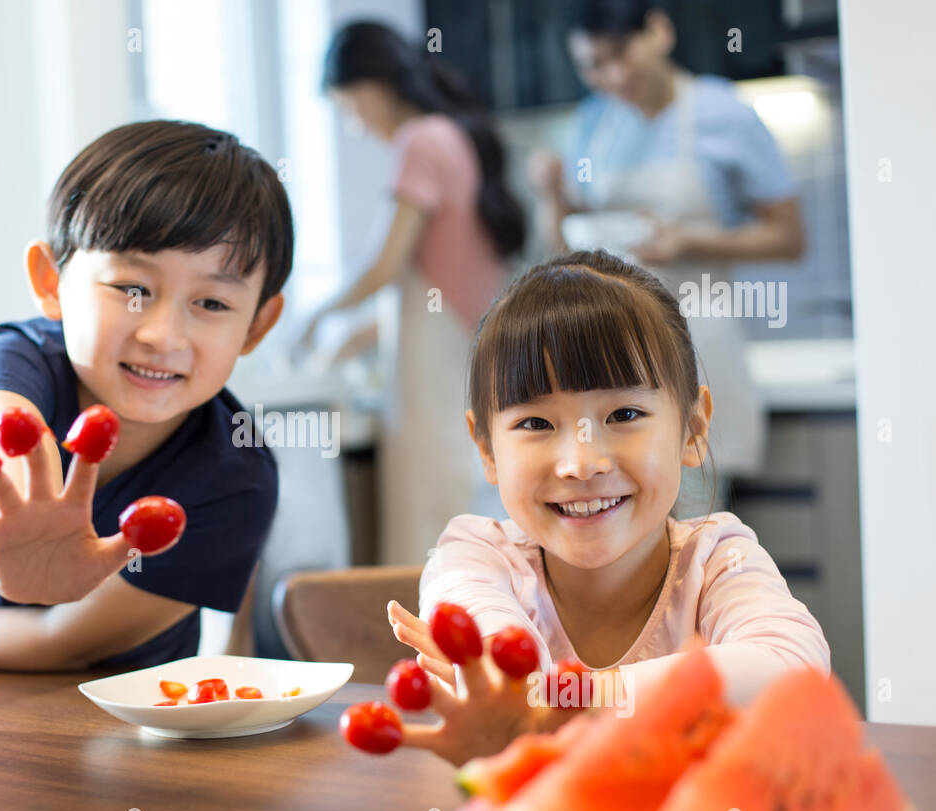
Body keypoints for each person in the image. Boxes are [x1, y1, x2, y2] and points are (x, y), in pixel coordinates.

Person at [0, 120, 293, 671]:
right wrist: (20, 508)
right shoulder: (18, 357)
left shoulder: (237, 480)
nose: (163, 335)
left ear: (257, 325)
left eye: (211, 304)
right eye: (132, 289)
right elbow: (4, 435)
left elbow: (62, 641)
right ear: (50, 282)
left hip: (117, 740)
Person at [385, 251, 828, 766]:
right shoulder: (472, 554)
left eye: (624, 414)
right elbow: (505, 673)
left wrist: (578, 697)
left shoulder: (717, 559)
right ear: (486, 449)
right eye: (536, 424)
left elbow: (793, 667)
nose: (581, 463)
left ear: (694, 428)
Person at [529, 1, 805, 516]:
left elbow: (788, 237)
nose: (609, 76)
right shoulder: (593, 125)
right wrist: (552, 197)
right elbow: (565, 250)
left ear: (658, 31)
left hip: (698, 342)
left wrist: (690, 242)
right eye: (592, 65)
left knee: (694, 524)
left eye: (618, 55)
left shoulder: (723, 114)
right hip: (608, 360)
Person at [297, 20, 526, 565]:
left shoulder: (419, 140)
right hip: (458, 361)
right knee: (458, 513)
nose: (355, 124)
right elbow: (438, 284)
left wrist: (312, 317)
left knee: (429, 522)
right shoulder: (455, 134)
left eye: (348, 107)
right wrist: (354, 338)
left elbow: (384, 266)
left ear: (369, 87)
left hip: (435, 381)